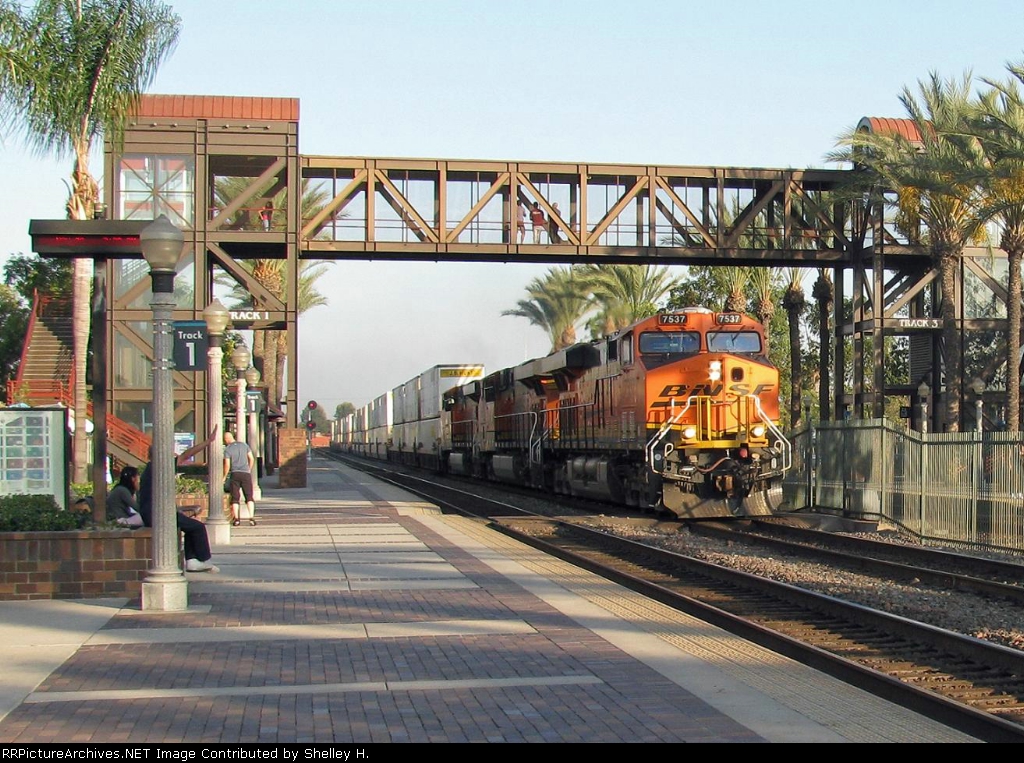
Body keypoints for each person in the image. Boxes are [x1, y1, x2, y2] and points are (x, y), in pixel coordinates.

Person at [138, 429, 220, 573]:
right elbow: (186, 455)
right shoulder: (159, 468)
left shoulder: (151, 468)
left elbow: (185, 455)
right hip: (158, 514)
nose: (173, 455)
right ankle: (203, 559)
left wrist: (208, 442)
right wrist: (208, 442)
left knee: (191, 527)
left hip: (155, 512)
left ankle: (192, 561)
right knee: (198, 527)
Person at [224, 430, 256, 526]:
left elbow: (227, 465)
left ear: (227, 439)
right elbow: (251, 458)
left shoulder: (228, 449)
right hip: (246, 473)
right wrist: (249, 469)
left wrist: (224, 476)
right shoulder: (244, 445)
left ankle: (237, 519)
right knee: (249, 496)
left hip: (235, 474)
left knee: (235, 497)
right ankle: (251, 517)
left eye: (224, 439)